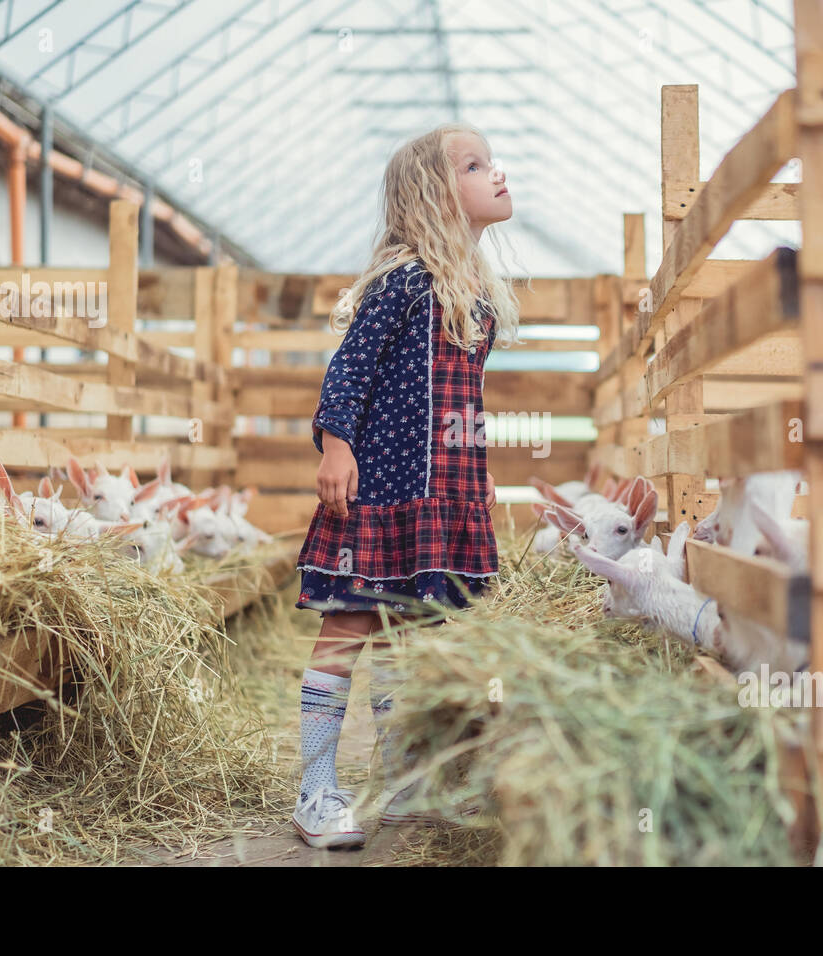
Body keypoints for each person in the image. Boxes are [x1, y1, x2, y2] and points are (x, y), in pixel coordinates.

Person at [290, 124, 518, 848]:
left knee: (410, 635)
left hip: (444, 492)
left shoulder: (474, 297)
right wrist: (335, 448)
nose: (497, 173)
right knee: (348, 626)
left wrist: (478, 480)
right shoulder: (407, 279)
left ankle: (402, 781)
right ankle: (316, 789)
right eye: (475, 165)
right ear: (435, 192)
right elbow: (349, 369)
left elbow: (467, 401)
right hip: (381, 489)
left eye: (491, 161)